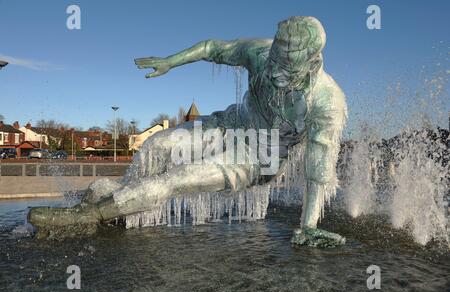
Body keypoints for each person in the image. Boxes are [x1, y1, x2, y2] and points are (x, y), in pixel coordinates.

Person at [29, 16, 347, 246]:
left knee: (173, 181)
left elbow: (318, 171)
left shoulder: (326, 100)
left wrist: (307, 226)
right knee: (157, 145)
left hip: (262, 154)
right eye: (275, 60)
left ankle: (90, 217)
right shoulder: (260, 53)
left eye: (286, 67)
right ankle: (117, 205)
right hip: (231, 122)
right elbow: (212, 47)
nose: (274, 71)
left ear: (313, 63)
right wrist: (171, 61)